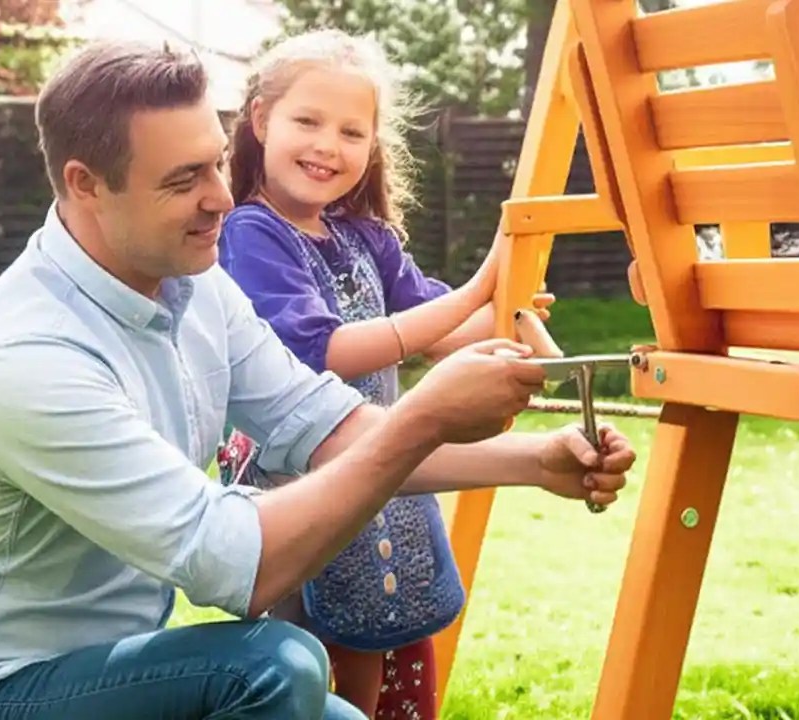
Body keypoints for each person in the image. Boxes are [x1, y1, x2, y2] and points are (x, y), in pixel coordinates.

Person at [0, 38, 636, 720]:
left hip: (112, 677)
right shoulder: (26, 359)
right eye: (185, 179)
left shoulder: (195, 287)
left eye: (215, 161)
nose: (220, 196)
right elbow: (237, 565)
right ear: (86, 184)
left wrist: (532, 461)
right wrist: (426, 416)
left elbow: (331, 429)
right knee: (275, 667)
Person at [215, 29, 552, 718]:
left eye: (351, 131)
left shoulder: (362, 237)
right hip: (301, 485)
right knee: (325, 664)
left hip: (387, 484)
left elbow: (443, 332)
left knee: (393, 639)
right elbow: (324, 347)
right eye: (306, 121)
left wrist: (513, 317)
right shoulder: (251, 233)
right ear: (260, 122)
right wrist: (473, 292)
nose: (327, 146)